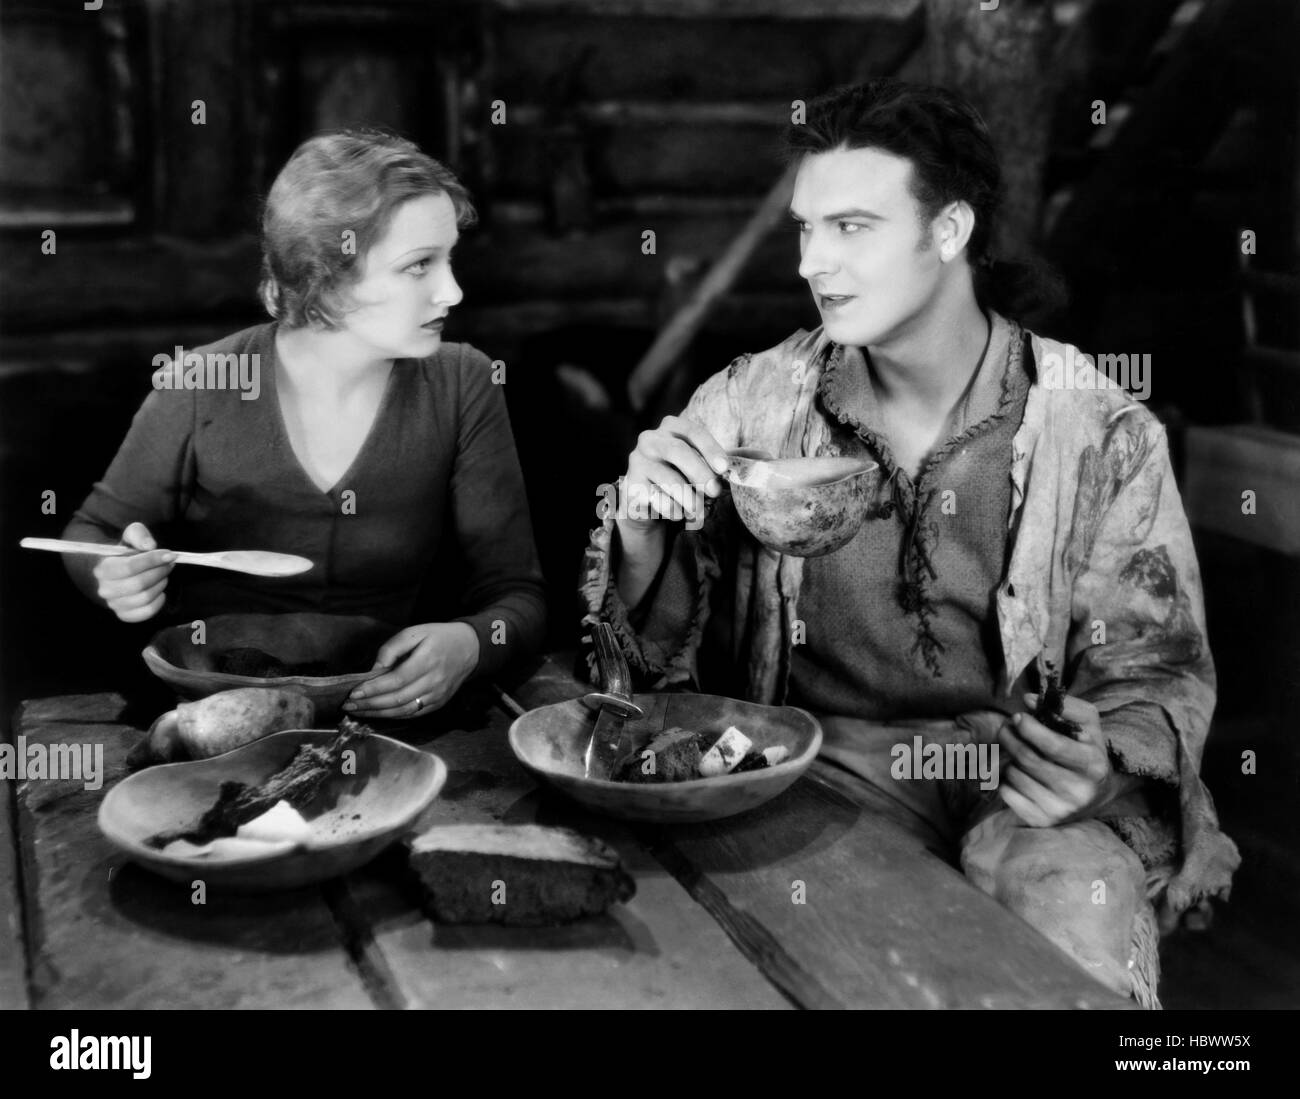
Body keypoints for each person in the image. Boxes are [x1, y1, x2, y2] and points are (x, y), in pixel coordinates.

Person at [580, 80, 1239, 1006]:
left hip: (1013, 775)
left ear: (949, 230)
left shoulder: (1098, 426)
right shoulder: (751, 403)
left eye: (852, 227)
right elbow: (654, 674)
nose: (815, 261)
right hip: (817, 767)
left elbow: (1158, 671)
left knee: (1073, 915)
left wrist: (1099, 767)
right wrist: (642, 535)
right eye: (806, 228)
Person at [64, 130, 546, 719]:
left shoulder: (463, 383)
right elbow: (92, 533)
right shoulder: (200, 382)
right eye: (419, 265)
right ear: (325, 277)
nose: (452, 290)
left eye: (448, 258)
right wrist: (113, 574)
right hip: (210, 715)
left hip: (378, 719)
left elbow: (517, 596)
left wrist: (469, 644)